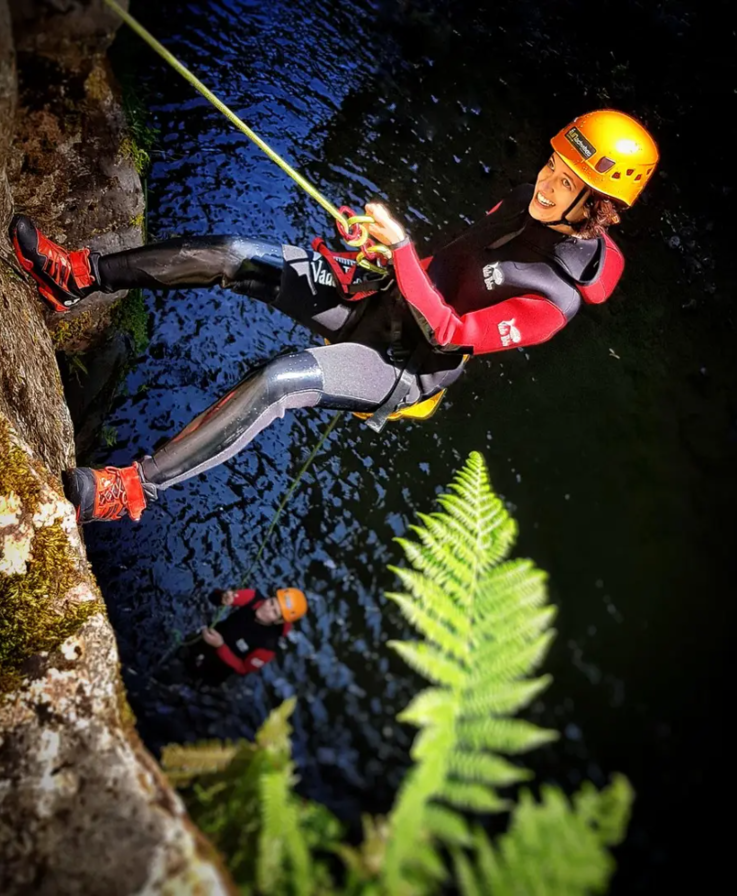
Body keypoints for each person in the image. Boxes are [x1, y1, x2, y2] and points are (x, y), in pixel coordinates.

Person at [9, 109, 658, 524]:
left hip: (401, 365)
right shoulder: (522, 200)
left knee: (279, 382)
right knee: (237, 256)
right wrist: (377, 251)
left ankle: (134, 487)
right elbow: (448, 265)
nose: (547, 181)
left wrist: (400, 252)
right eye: (552, 163)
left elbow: (452, 331)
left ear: (598, 207)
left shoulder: (556, 297)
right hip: (376, 295)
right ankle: (74, 277)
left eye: (568, 181)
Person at [177, 585, 308, 685]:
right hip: (208, 638)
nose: (267, 609)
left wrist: (220, 646)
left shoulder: (267, 647)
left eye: (274, 612)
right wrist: (224, 597)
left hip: (220, 665)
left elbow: (243, 668)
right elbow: (214, 598)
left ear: (279, 621)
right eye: (271, 603)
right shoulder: (252, 597)